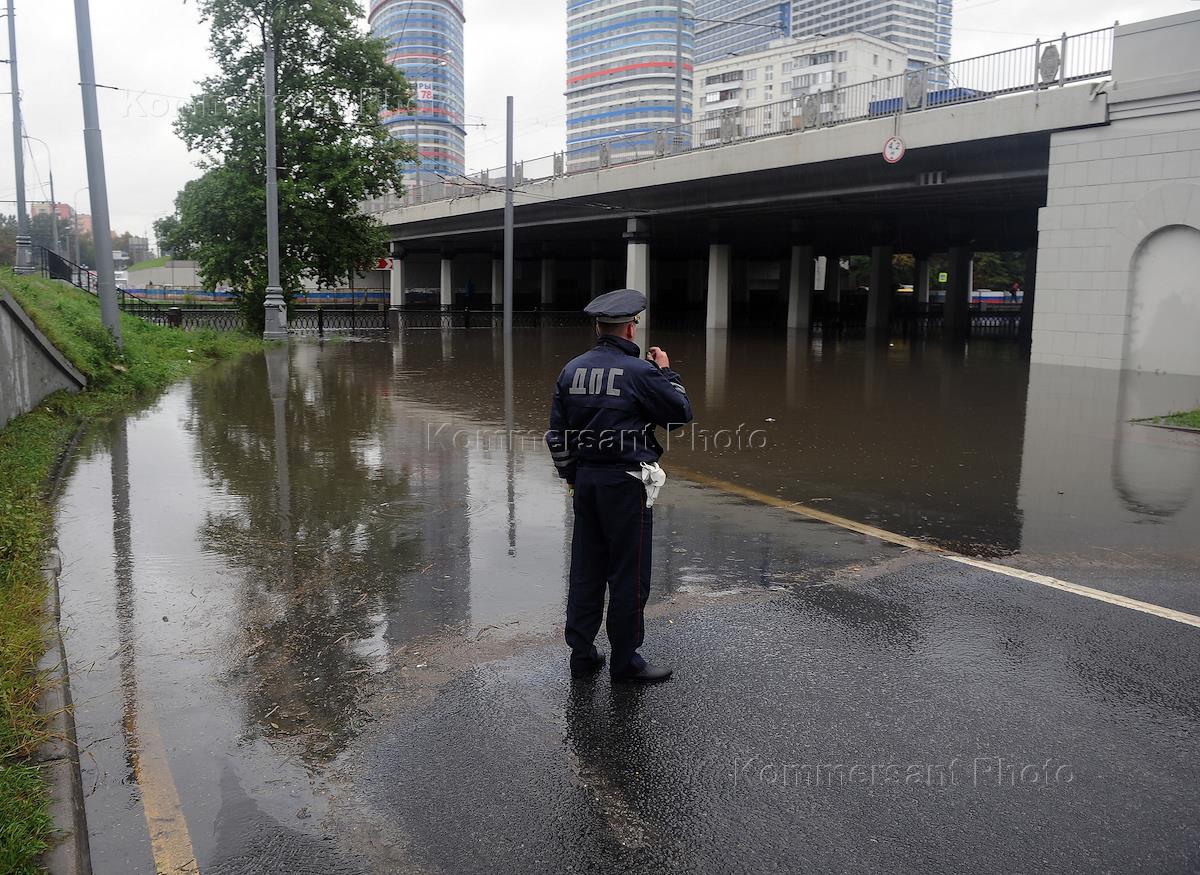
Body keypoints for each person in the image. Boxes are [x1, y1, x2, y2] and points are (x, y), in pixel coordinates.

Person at [546, 289, 693, 683]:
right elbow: (679, 415)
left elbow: (556, 436)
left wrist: (572, 477)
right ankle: (625, 661)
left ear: (598, 327)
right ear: (631, 327)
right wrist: (666, 372)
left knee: (586, 570)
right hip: (626, 485)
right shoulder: (641, 372)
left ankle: (582, 654)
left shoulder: (571, 369)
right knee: (628, 574)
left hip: (587, 482)